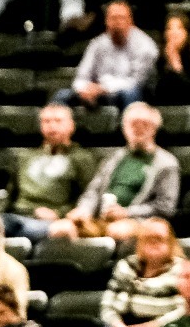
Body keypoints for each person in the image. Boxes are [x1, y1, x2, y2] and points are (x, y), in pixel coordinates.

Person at [61, 102, 178, 241]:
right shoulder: (113, 158)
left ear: (154, 128)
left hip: (137, 221)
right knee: (62, 229)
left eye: (144, 124)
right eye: (133, 124)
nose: (138, 128)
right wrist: (83, 211)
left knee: (116, 231)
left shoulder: (167, 163)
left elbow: (165, 207)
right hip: (100, 218)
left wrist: (126, 212)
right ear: (124, 128)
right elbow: (93, 191)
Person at [87, 216, 184, 327]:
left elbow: (183, 311)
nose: (153, 243)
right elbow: (107, 305)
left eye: (158, 238)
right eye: (148, 238)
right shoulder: (125, 266)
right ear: (140, 242)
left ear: (171, 243)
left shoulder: (181, 270)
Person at [2, 105, 99, 242]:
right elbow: (10, 196)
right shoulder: (25, 157)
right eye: (46, 121)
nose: (52, 126)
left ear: (71, 126)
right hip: (16, 216)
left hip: (52, 222)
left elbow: (87, 197)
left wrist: (59, 213)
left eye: (58, 121)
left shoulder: (81, 158)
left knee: (61, 230)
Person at [57, 0, 158, 109]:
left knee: (129, 93)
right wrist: (86, 89)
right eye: (113, 18)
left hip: (133, 93)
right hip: (98, 91)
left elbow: (136, 82)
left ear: (130, 21)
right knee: (62, 95)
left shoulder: (146, 46)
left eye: (121, 18)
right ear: (106, 21)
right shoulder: (97, 44)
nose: (117, 22)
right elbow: (81, 76)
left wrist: (104, 88)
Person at [151, 10, 190, 106]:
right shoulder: (160, 54)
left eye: (179, 28)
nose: (173, 33)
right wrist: (168, 64)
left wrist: (177, 67)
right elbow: (156, 91)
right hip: (166, 104)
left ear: (187, 32)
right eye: (169, 29)